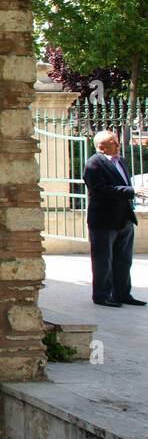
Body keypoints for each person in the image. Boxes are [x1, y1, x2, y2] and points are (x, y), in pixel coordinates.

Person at [83, 129, 145, 307]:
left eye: (117, 142)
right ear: (102, 147)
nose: (118, 145)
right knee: (103, 260)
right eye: (114, 143)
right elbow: (100, 190)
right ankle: (102, 295)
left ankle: (122, 294)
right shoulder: (94, 164)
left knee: (124, 259)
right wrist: (131, 192)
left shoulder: (121, 161)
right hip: (104, 220)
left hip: (124, 217)